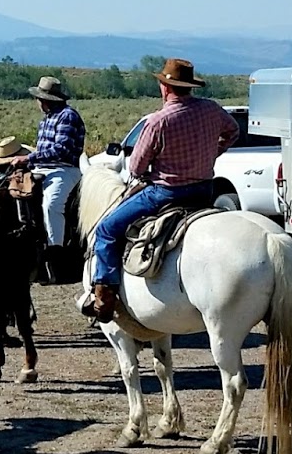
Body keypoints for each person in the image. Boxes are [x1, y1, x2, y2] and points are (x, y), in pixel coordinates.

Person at [86, 58, 237, 320]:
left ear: (165, 87)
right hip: (204, 191)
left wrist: (151, 169)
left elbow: (136, 166)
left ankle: (105, 294)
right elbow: (232, 131)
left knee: (107, 229)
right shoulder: (212, 110)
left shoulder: (159, 121)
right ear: (190, 86)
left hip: (165, 193)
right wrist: (213, 151)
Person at [0, 76, 86, 282]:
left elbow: (61, 150)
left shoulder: (68, 116)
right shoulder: (46, 120)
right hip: (43, 168)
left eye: (38, 98)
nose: (37, 102)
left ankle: (57, 255)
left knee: (51, 204)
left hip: (65, 169)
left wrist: (28, 157)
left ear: (45, 99)